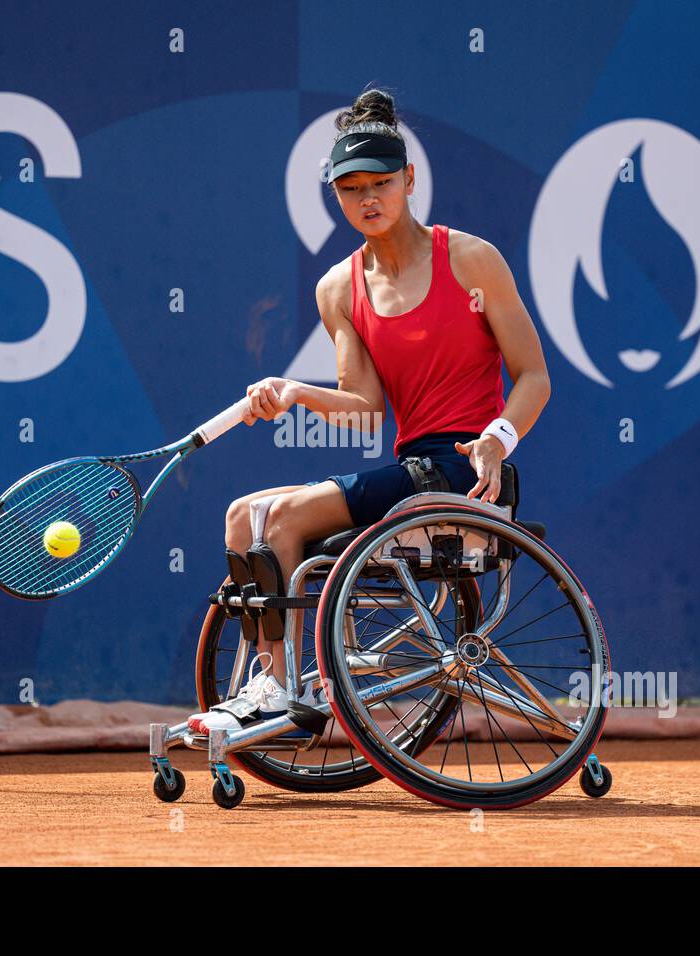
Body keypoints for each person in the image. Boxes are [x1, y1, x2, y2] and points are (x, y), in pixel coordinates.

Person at [189, 86, 551, 735]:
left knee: (285, 513)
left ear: (409, 179)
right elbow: (364, 407)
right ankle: (269, 683)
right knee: (243, 517)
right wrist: (294, 391)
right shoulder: (338, 289)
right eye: (351, 188)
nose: (368, 199)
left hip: (466, 470)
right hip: (414, 473)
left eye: (381, 182)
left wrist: (499, 437)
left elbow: (534, 376)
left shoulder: (471, 261)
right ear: (336, 195)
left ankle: (276, 684)